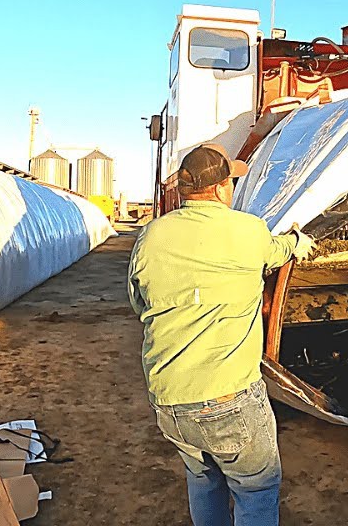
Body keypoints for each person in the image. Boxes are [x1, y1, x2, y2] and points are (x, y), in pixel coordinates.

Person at [128, 143, 315, 526]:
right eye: (230, 180)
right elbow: (277, 250)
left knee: (202, 478)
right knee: (256, 489)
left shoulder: (150, 236)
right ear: (219, 189)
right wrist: (299, 241)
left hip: (170, 400)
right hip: (229, 400)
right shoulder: (248, 230)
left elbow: (139, 303)